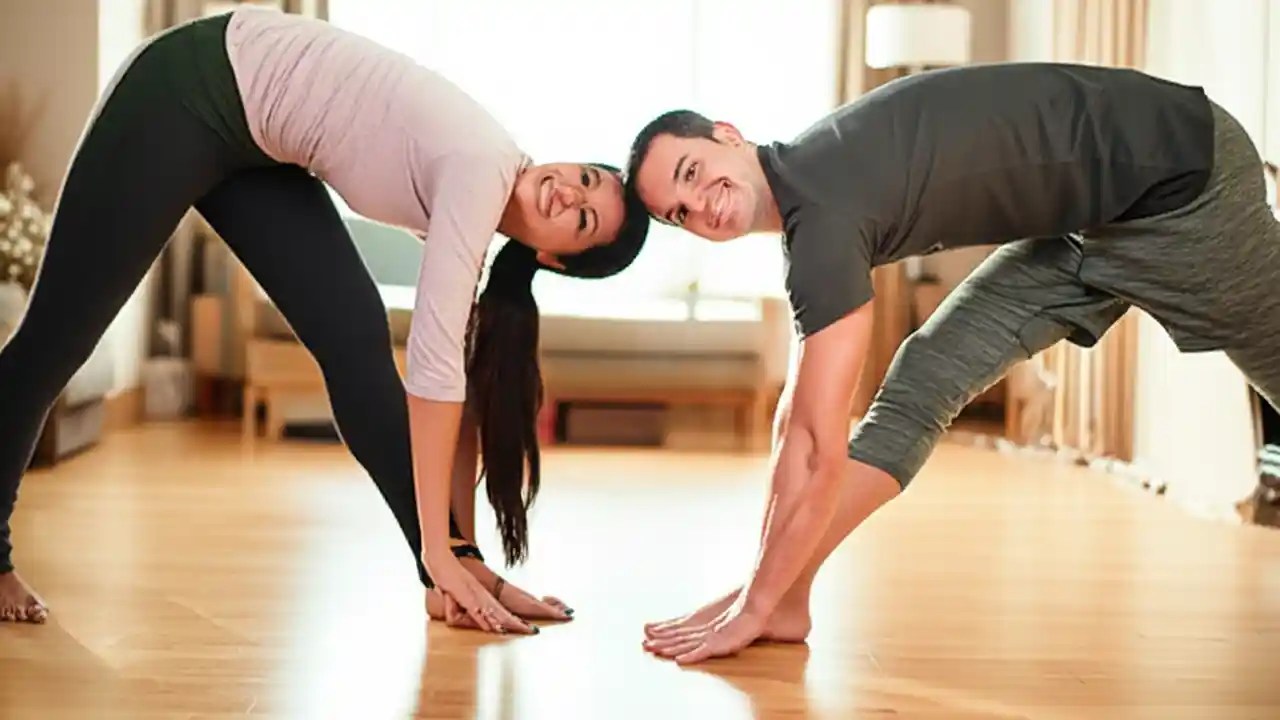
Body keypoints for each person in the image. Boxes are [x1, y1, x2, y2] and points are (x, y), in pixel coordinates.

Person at [0, 8, 649, 629]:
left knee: (353, 337)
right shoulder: (484, 164)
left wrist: (463, 559)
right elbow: (432, 376)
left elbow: (459, 394)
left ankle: (445, 579)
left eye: (582, 219)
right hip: (189, 91)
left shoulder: (477, 215)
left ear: (552, 259)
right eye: (588, 178)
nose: (571, 192)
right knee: (56, 341)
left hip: (253, 146)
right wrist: (442, 552)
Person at [623, 61, 1280, 664]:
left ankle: (775, 598)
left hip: (1187, 184)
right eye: (679, 214)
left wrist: (751, 602)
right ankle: (787, 597)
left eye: (691, 172)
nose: (700, 204)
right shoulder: (808, 194)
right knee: (926, 375)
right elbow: (794, 422)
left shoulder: (822, 213)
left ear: (727, 136)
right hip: (1104, 210)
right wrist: (761, 589)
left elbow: (819, 447)